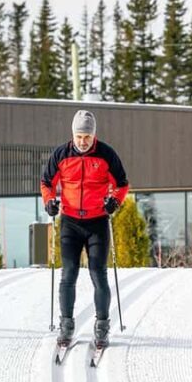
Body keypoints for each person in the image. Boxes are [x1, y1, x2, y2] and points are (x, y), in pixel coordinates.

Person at [41, 110, 129, 350]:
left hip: (97, 223)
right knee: (68, 274)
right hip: (70, 222)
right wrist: (49, 202)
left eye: (87, 137)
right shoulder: (61, 154)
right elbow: (47, 182)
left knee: (98, 274)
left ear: (94, 135)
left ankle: (102, 328)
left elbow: (121, 184)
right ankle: (66, 326)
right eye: (79, 136)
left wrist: (115, 201)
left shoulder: (106, 155)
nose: (83, 141)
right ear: (73, 135)